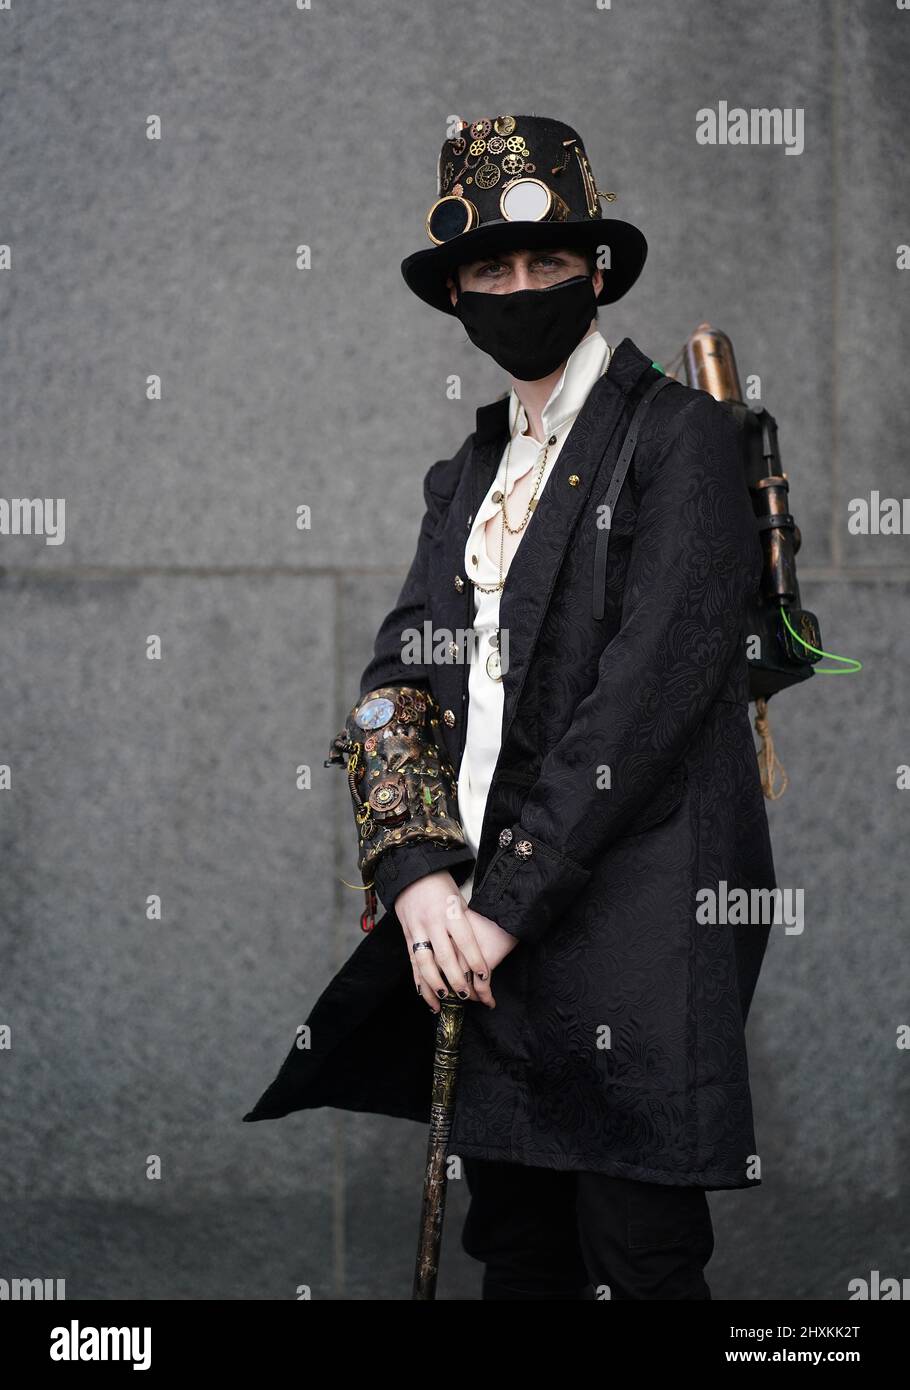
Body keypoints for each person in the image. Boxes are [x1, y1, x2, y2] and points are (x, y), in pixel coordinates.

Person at [244, 113, 776, 1302]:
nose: (518, 287)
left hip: (629, 917)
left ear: (593, 273)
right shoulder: (472, 470)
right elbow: (396, 683)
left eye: (544, 264)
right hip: (476, 925)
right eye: (489, 268)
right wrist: (421, 875)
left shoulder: (681, 441)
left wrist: (505, 906)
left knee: (637, 1256)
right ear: (457, 294)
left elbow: (643, 701)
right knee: (517, 1252)